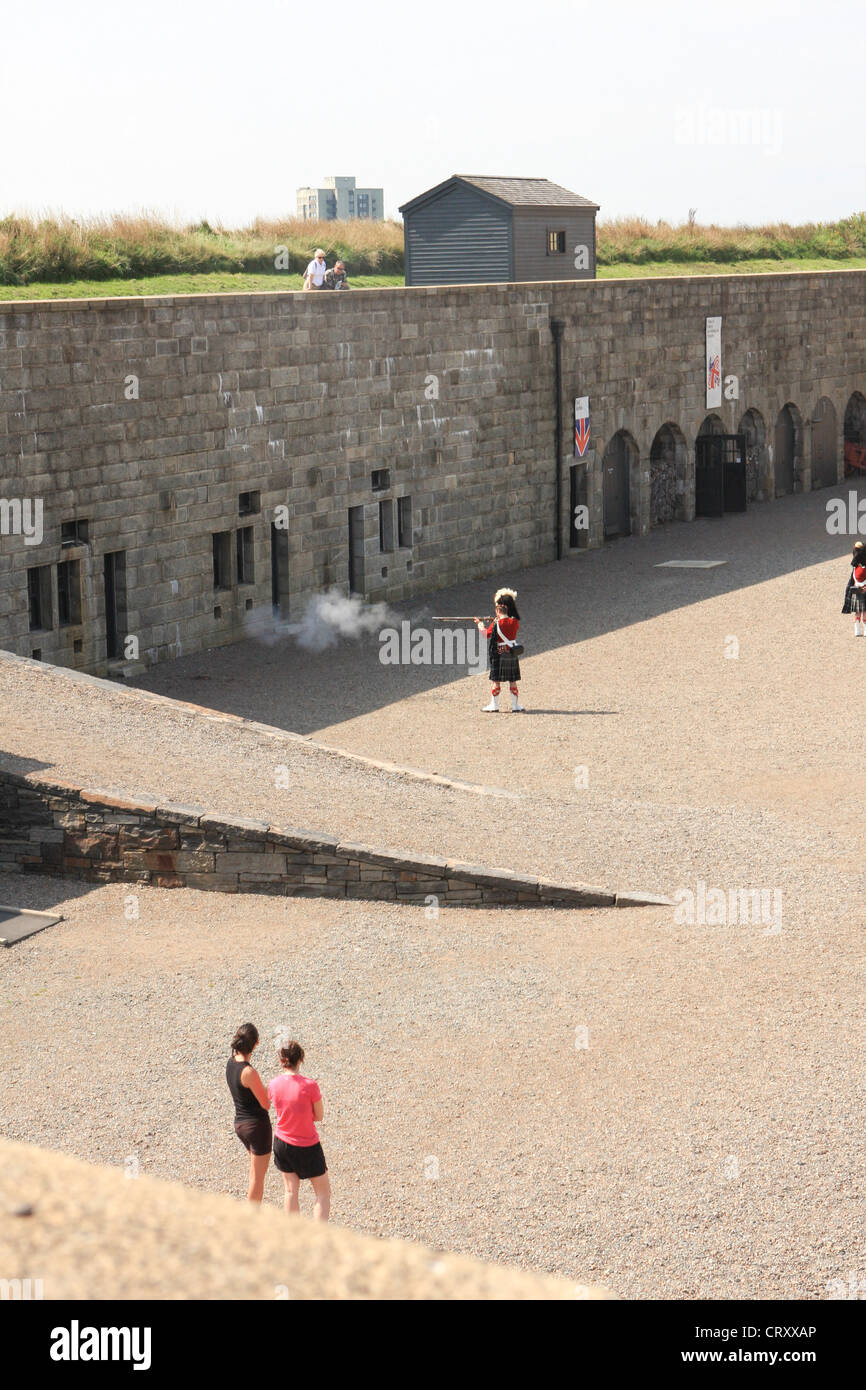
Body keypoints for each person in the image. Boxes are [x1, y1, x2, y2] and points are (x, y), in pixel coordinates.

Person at [268, 1039, 330, 1221]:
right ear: (300, 1059)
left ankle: (292, 1234)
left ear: (282, 1061)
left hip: (282, 1142)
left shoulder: (273, 1084)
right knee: (322, 1193)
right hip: (307, 1144)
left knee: (290, 1191)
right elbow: (319, 1115)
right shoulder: (310, 1086)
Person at [226, 1022, 272, 1202]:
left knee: (254, 1172)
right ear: (256, 1044)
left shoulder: (230, 1064)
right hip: (257, 1127)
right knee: (257, 1178)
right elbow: (265, 1104)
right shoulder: (248, 1072)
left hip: (240, 1124)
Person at [475, 587, 524, 712]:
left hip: (499, 653)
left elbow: (486, 634)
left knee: (496, 681)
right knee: (512, 680)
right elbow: (507, 625)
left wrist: (480, 625)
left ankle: (494, 705)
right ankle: (515, 705)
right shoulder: (514, 622)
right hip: (511, 653)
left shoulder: (497, 623)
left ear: (498, 609)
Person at [850, 541, 866, 636]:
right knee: (865, 611)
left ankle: (857, 630)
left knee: (857, 612)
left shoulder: (855, 567)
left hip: (856, 590)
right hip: (864, 590)